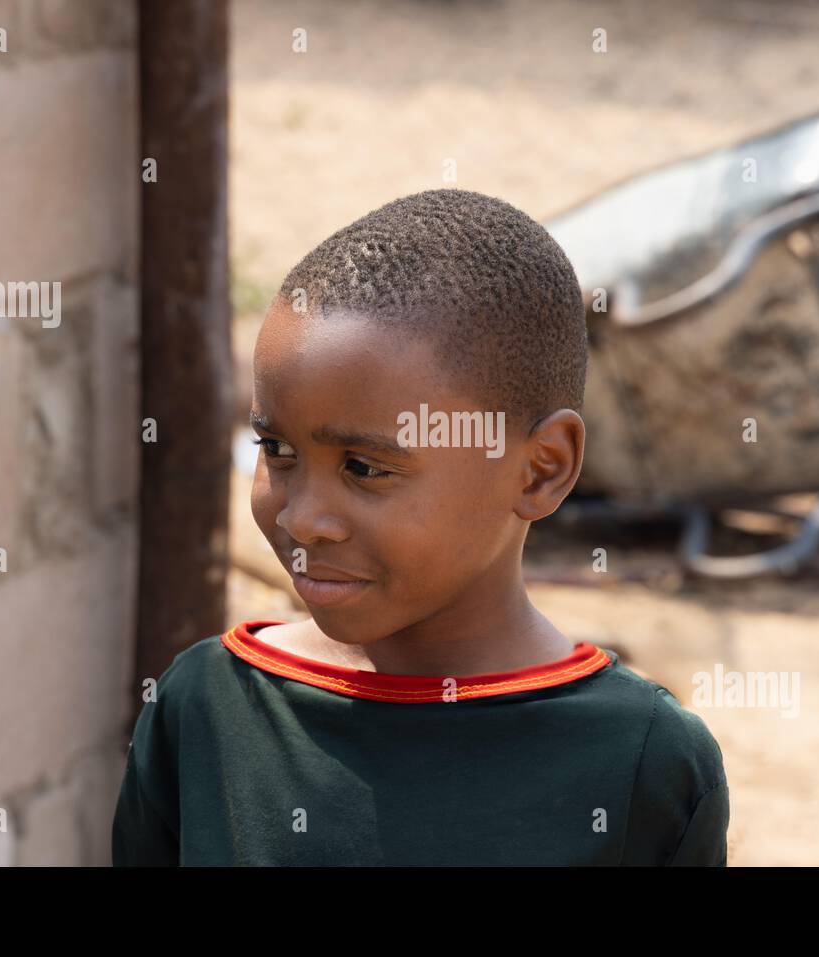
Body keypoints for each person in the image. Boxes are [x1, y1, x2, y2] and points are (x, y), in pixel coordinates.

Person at [112, 188, 729, 865]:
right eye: (277, 451)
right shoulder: (208, 711)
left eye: (364, 467)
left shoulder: (640, 759)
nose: (301, 517)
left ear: (540, 470)